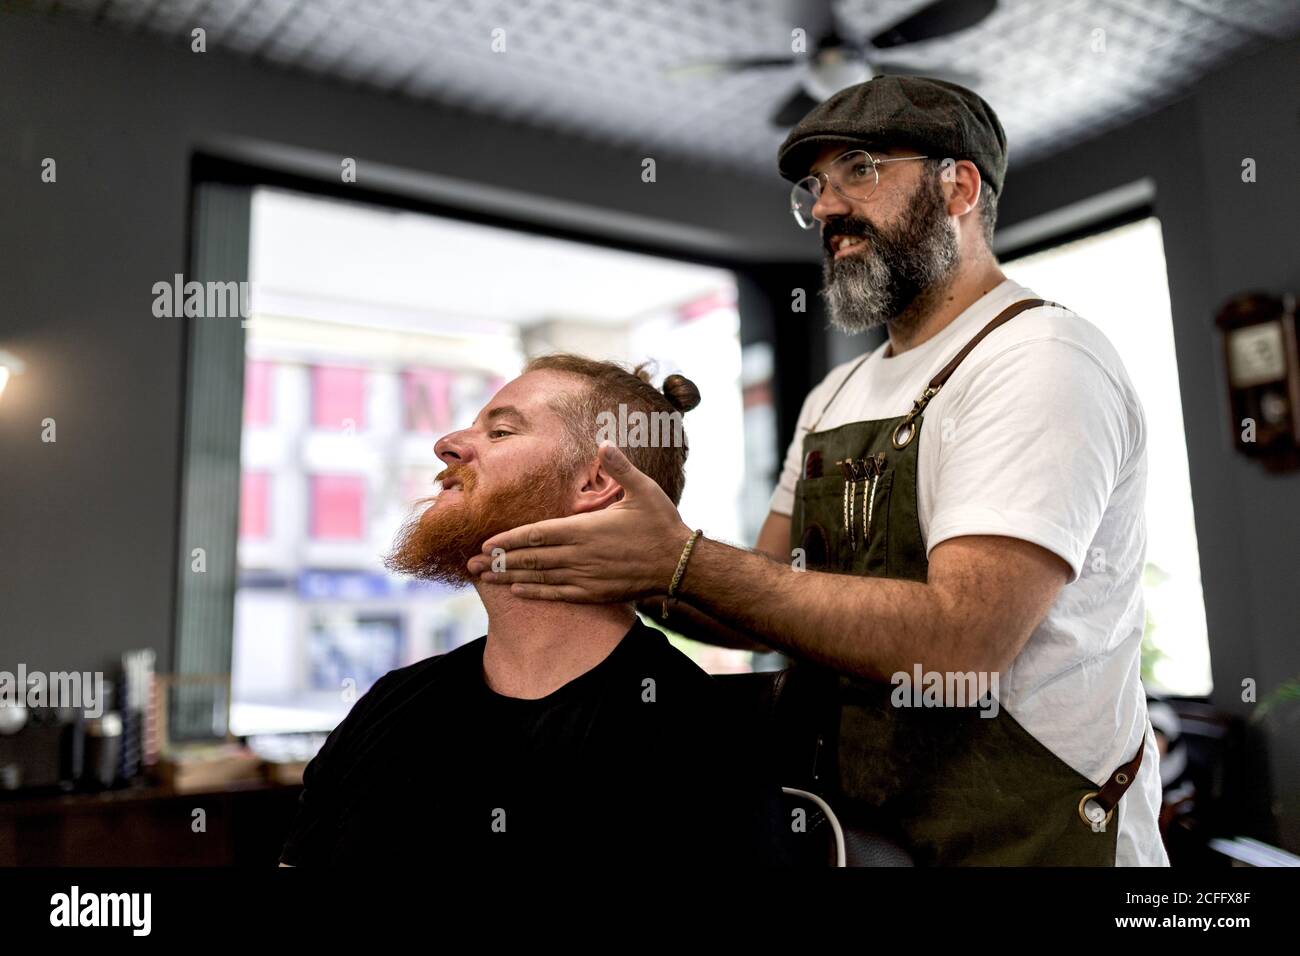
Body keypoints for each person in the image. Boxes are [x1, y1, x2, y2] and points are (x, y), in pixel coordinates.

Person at [468, 77, 1169, 866]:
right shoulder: (836, 394)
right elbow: (756, 595)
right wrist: (623, 565)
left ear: (959, 187)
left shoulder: (1037, 360)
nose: (828, 210)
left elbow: (962, 647)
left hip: (1029, 841)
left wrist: (681, 560)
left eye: (861, 170)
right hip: (863, 835)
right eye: (816, 189)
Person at [279, 355, 780, 867]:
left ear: (594, 483)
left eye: (499, 432)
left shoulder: (692, 742)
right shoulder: (390, 705)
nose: (446, 445)